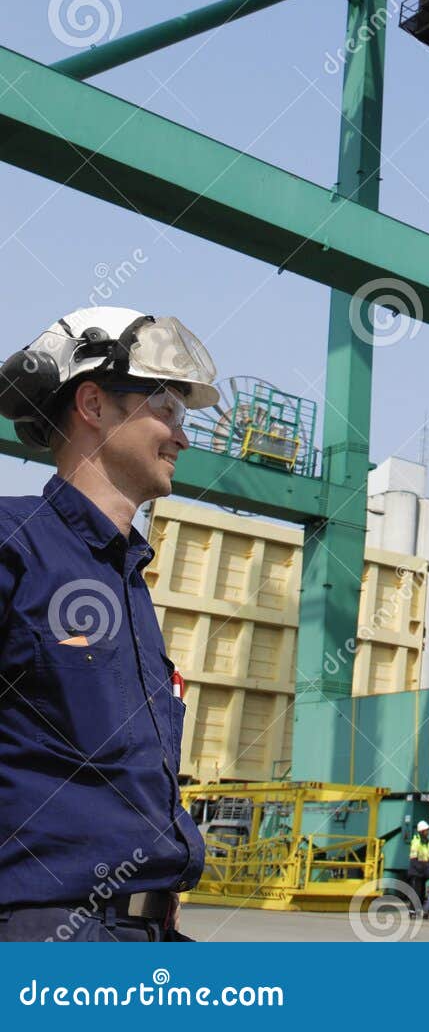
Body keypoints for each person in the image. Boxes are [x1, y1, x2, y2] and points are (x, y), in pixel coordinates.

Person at [0, 307, 221, 941]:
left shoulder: (128, 587)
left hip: (142, 932)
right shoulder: (16, 544)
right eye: (167, 410)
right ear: (93, 403)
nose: (182, 436)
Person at [408, 819, 429, 908]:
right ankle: (412, 910)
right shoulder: (416, 842)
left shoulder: (426, 842)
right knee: (416, 891)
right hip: (416, 871)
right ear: (422, 831)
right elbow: (413, 859)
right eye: (426, 830)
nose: (428, 832)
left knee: (421, 892)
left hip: (423, 871)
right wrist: (422, 867)